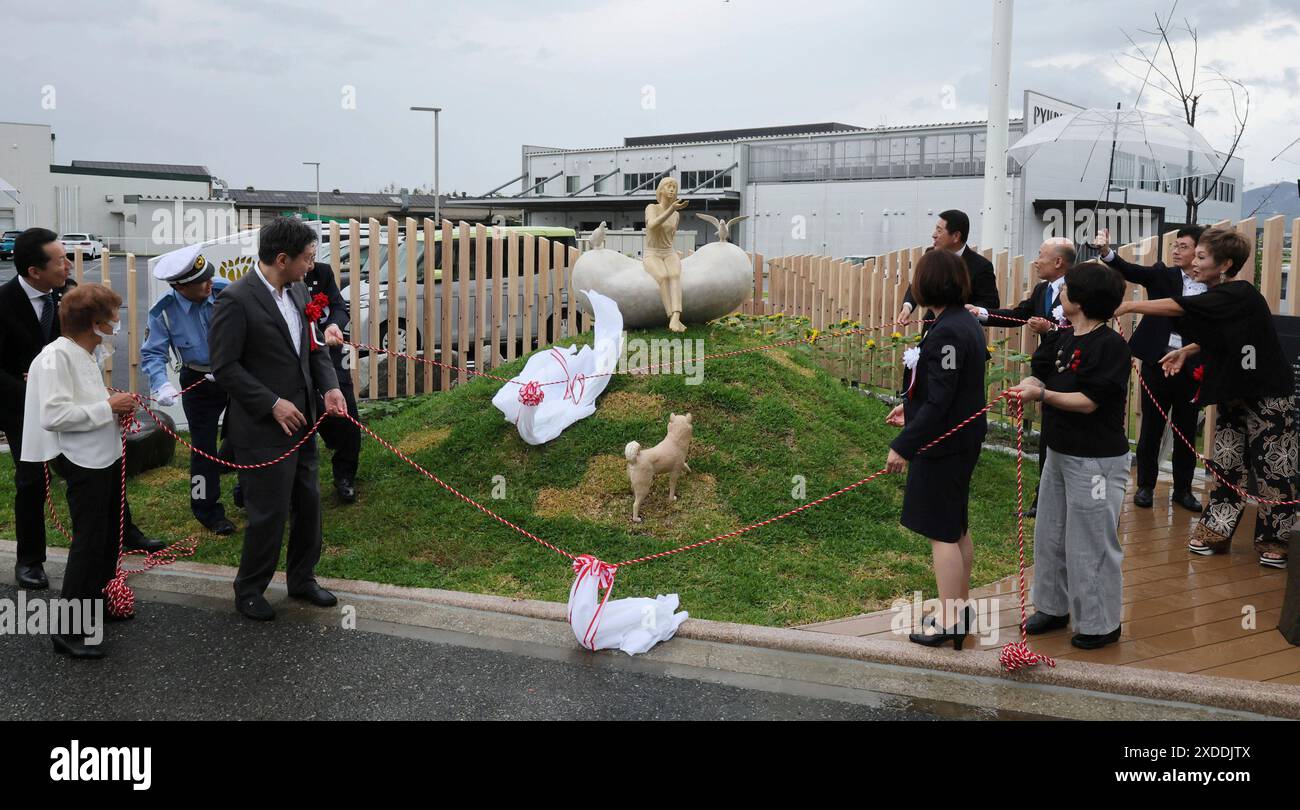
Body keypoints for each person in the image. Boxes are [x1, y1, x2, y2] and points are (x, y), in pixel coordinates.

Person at [1117, 227, 1296, 570]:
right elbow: (1221, 333)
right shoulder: (1221, 296)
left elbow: (1179, 305)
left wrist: (1127, 305)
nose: (1193, 263)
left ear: (1225, 263)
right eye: (1194, 256)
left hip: (1268, 394)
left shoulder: (1239, 292)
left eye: (1201, 257)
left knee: (1273, 468)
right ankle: (1216, 530)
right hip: (1232, 393)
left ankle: (1276, 540)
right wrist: (1187, 350)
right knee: (1226, 463)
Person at [1, 228, 161, 592]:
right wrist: (34, 388)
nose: (68, 264)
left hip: (78, 407)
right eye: (59, 260)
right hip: (26, 408)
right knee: (31, 483)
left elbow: (83, 350)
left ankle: (121, 532)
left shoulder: (69, 294)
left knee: (101, 476)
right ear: (33, 270)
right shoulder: (4, 302)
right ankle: (30, 560)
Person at [208, 218, 348, 620]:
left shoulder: (300, 289)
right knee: (267, 512)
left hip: (304, 419)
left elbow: (314, 348)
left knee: (309, 504)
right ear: (282, 258)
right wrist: (271, 402)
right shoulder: (235, 299)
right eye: (306, 258)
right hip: (262, 427)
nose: (312, 266)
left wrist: (331, 387)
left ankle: (302, 579)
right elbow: (225, 366)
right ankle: (249, 588)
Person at [1010, 262, 1131, 649]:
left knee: (1091, 540)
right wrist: (1029, 385)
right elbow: (1042, 375)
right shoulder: (1064, 337)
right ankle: (1053, 606)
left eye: (1066, 289)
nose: (1060, 293)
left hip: (1095, 461)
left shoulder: (1110, 345)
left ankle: (1100, 623)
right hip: (1059, 453)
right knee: (1051, 533)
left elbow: (1089, 401)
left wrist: (1041, 395)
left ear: (1078, 300)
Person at [22, 283, 138, 659]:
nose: (117, 322)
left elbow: (84, 400)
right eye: (113, 316)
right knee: (87, 543)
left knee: (104, 538)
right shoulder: (56, 357)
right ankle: (68, 630)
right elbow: (53, 415)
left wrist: (113, 404)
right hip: (81, 459)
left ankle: (99, 602)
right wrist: (109, 407)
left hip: (100, 454)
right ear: (95, 322)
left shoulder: (84, 352)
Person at [885, 249, 989, 649]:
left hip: (944, 443)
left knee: (941, 532)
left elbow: (941, 400)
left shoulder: (947, 330)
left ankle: (948, 619)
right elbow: (943, 390)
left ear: (929, 284)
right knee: (956, 526)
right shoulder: (960, 322)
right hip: (961, 438)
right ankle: (959, 608)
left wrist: (905, 445)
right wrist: (908, 407)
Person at [1096, 225, 1207, 512]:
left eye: (1184, 246)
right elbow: (1131, 271)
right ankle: (1145, 485)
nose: (1176, 250)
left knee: (1186, 428)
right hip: (1157, 361)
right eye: (1176, 245)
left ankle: (1183, 490)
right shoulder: (1163, 274)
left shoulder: (1214, 283)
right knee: (1151, 427)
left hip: (1192, 364)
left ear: (1200, 251)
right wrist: (1107, 253)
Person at [969, 236, 1075, 518]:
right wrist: (980, 312)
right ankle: (1044, 497)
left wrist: (1051, 329)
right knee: (1047, 434)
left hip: (1071, 371)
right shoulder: (1042, 290)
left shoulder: (1078, 289)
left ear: (1058, 261)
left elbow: (1083, 328)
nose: (1035, 260)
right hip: (1045, 371)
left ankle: (1064, 499)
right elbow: (1018, 315)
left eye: (1041, 255)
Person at [140, 244, 236, 535]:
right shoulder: (164, 312)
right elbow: (152, 354)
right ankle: (206, 508)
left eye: (209, 275)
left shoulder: (225, 292)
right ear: (180, 286)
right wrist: (161, 385)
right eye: (201, 281)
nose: (210, 282)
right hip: (198, 381)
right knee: (203, 448)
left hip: (236, 374)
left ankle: (248, 490)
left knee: (246, 433)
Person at [305, 260, 361, 504]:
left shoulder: (323, 272)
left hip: (331, 355)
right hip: (296, 362)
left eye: (312, 256)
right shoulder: (278, 282)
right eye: (306, 256)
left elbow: (339, 306)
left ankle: (345, 476)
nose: (309, 263)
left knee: (347, 416)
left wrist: (333, 325)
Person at [895, 209, 1000, 329]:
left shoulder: (981, 266)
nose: (933, 235)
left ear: (956, 236)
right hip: (932, 328)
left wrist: (973, 310)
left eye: (939, 231)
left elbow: (991, 303)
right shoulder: (931, 255)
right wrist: (907, 307)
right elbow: (918, 284)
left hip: (962, 331)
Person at [642, 177, 689, 333]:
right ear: (661, 190)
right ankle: (671, 318)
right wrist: (671, 210)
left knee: (675, 275)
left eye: (674, 187)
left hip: (669, 252)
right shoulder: (652, 208)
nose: (672, 189)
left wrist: (673, 211)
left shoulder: (676, 215)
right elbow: (652, 225)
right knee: (663, 277)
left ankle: (675, 317)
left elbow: (671, 236)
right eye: (668, 186)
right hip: (652, 253)